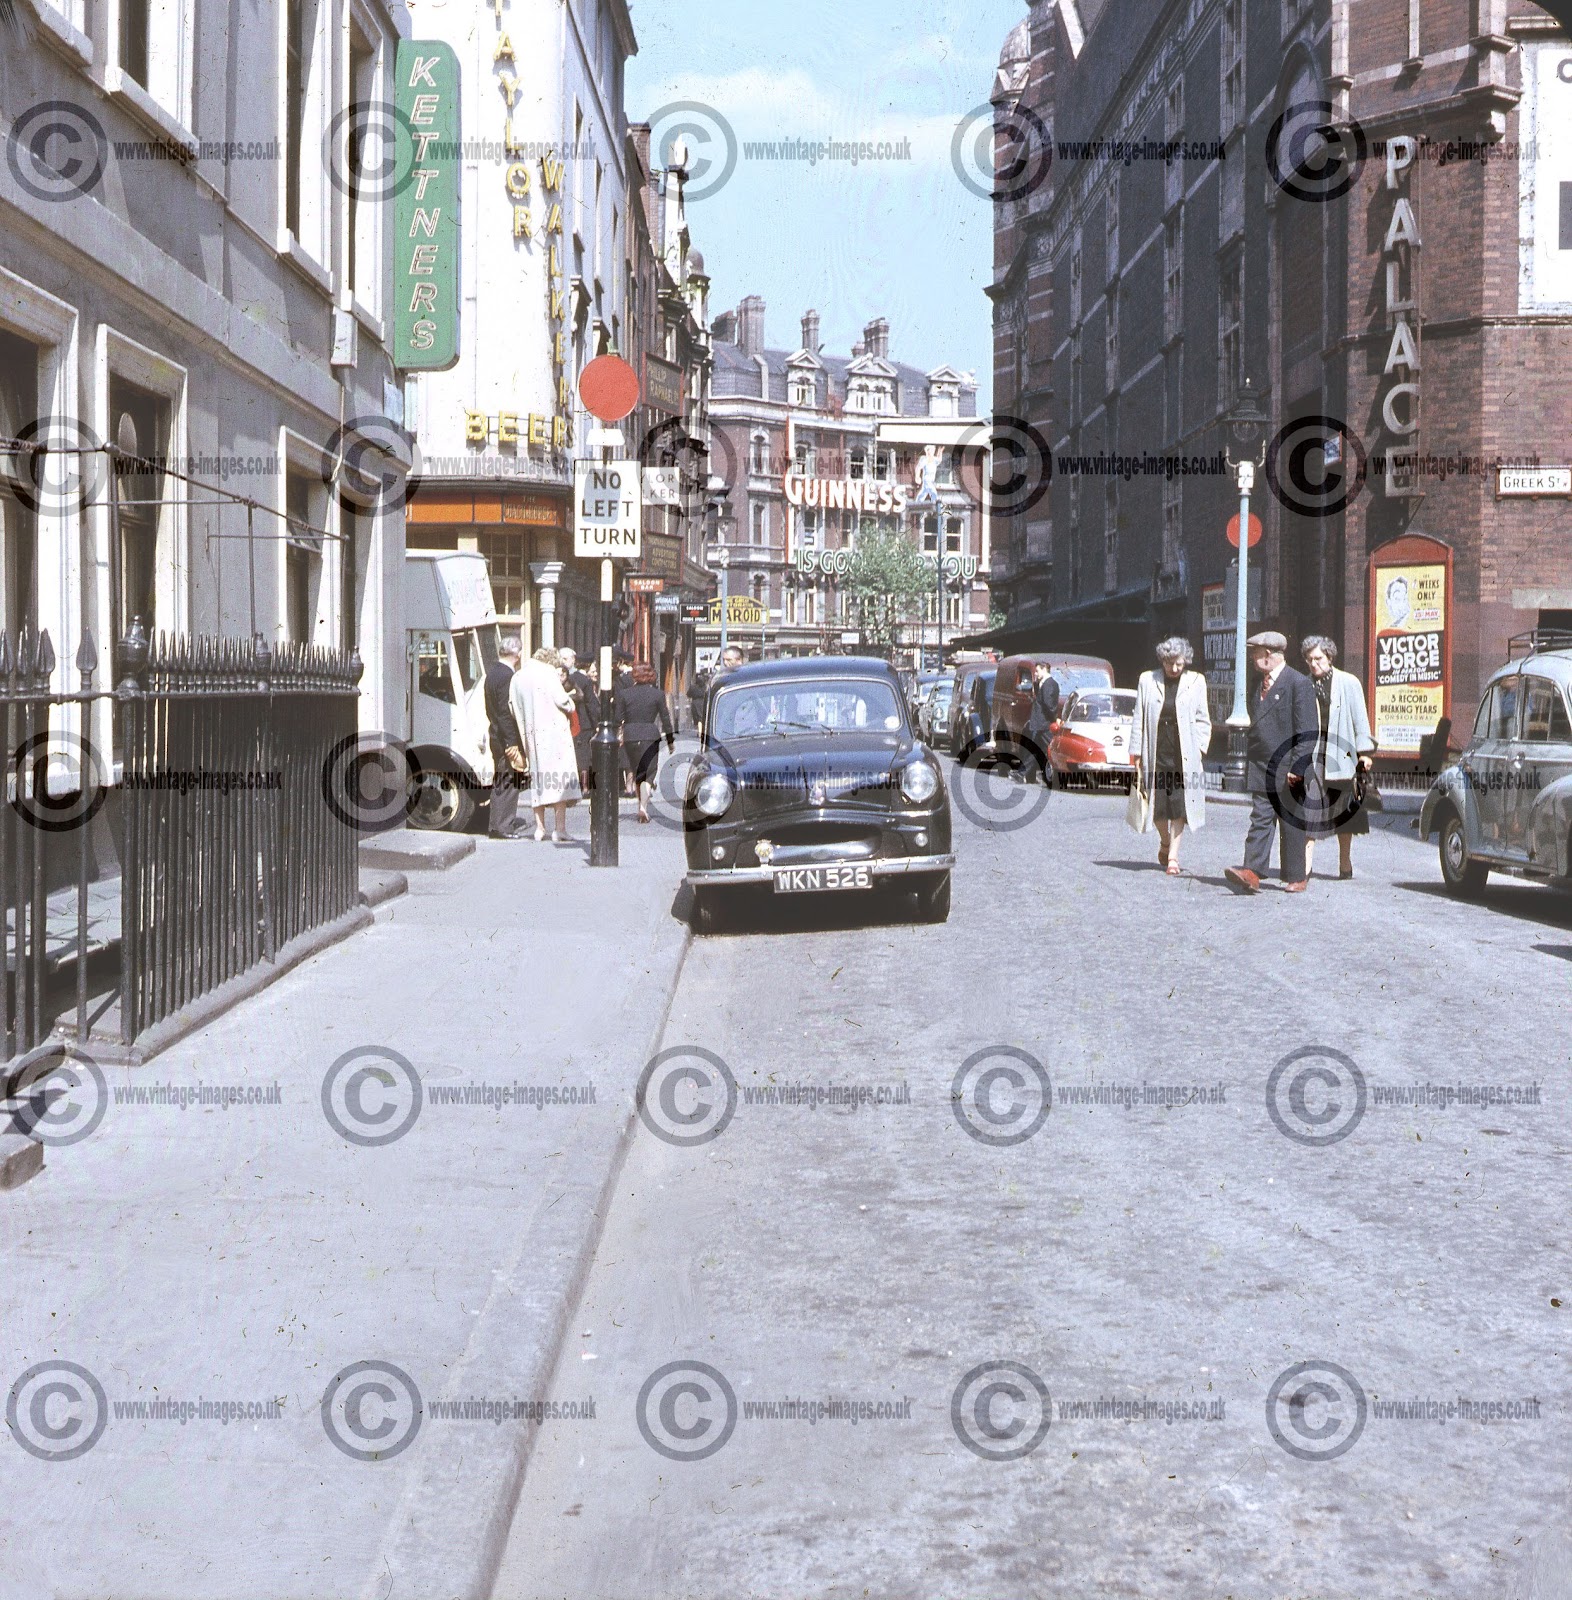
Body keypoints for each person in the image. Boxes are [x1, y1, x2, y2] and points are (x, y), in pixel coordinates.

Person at [1224, 631, 1319, 895]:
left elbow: (1308, 731)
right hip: (1262, 766)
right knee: (1261, 818)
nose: (1252, 658)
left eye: (1255, 653)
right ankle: (1252, 872)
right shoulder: (1260, 683)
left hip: (1289, 766)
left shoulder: (1298, 684)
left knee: (1290, 821)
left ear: (1268, 655)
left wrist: (1298, 769)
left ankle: (1297, 876)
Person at [1127, 637, 1212, 875]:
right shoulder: (1147, 679)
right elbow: (1139, 717)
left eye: (1179, 663)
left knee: (1179, 804)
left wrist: (1200, 750)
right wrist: (1136, 751)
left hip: (1183, 752)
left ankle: (1173, 855)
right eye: (1169, 663)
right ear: (1162, 661)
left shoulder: (1196, 681)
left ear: (1186, 661)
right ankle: (1164, 841)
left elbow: (1203, 719)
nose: (1174, 669)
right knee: (1157, 805)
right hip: (1156, 750)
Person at [1301, 635, 1377, 880]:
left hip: (1343, 759)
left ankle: (1345, 860)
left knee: (1345, 814)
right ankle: (1306, 865)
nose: (1314, 664)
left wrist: (1364, 755)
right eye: (1309, 659)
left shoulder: (1348, 682)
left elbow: (1360, 721)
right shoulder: (1304, 685)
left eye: (1318, 658)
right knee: (1309, 810)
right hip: (1314, 758)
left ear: (1330, 657)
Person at [509, 646, 581, 842]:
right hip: (554, 734)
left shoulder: (518, 677)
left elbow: (512, 707)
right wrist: (571, 702)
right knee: (560, 781)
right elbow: (562, 700)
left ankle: (540, 828)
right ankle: (560, 829)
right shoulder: (548, 673)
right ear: (551, 661)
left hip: (531, 736)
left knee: (538, 781)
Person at [615, 662, 675, 824]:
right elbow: (665, 718)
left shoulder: (624, 694)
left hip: (631, 736)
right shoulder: (657, 694)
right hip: (650, 735)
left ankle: (639, 806)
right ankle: (643, 807)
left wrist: (619, 734)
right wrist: (670, 740)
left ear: (634, 675)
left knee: (637, 772)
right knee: (649, 773)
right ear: (651, 676)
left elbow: (617, 718)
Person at [484, 634, 526, 839]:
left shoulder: (492, 673)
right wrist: (512, 743)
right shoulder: (507, 676)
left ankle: (496, 824)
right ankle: (502, 826)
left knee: (501, 780)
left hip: (495, 735)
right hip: (505, 738)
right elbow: (505, 712)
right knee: (508, 781)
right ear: (517, 654)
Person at [558, 647, 598, 791]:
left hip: (568, 721)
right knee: (584, 755)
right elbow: (591, 704)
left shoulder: (566, 679)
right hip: (583, 722)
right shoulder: (584, 681)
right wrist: (596, 724)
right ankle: (585, 786)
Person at [1023, 661, 1061, 782]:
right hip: (1041, 723)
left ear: (1044, 669)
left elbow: (1049, 704)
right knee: (1035, 749)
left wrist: (1055, 718)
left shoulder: (1049, 684)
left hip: (1045, 723)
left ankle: (1057, 773)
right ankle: (1023, 773)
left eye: (1037, 670)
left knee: (1052, 748)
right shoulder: (1042, 683)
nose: (1036, 673)